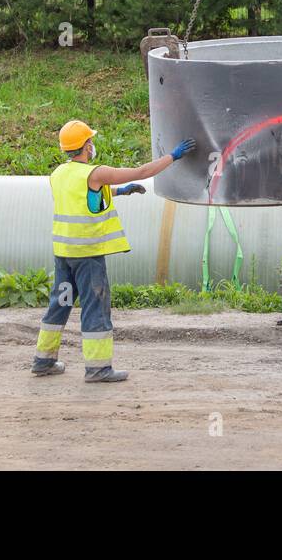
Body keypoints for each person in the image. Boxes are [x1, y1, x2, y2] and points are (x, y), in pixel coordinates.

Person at [32, 119, 195, 383]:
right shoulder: (96, 172)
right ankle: (98, 369)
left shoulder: (59, 174)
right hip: (87, 254)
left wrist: (119, 192)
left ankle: (43, 361)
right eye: (90, 141)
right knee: (95, 307)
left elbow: (84, 197)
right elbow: (142, 171)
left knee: (59, 304)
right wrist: (173, 156)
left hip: (64, 253)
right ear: (86, 146)